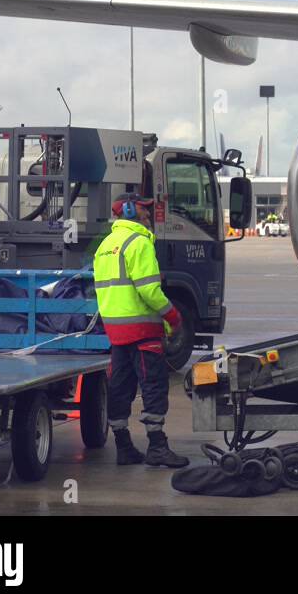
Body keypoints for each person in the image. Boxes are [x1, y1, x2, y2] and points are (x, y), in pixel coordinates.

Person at [93, 193, 189, 468]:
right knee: (153, 386)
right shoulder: (139, 243)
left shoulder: (104, 245)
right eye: (144, 211)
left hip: (116, 332)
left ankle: (123, 446)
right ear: (130, 211)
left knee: (120, 388)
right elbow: (148, 290)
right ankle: (157, 446)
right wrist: (173, 316)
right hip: (143, 330)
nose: (149, 216)